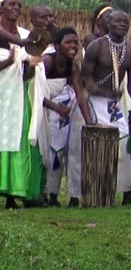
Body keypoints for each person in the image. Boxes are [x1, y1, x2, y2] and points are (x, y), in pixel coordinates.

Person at [69, 9, 131, 205]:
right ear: (108, 23)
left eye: (125, 21)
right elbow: (86, 79)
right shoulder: (96, 47)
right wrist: (106, 94)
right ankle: (76, 196)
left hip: (111, 104)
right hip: (91, 100)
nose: (122, 24)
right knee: (82, 146)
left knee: (125, 141)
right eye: (117, 21)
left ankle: (127, 191)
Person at [0, 0, 49, 208]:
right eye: (12, 4)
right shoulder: (18, 38)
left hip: (17, 98)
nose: (17, 8)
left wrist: (30, 64)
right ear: (1, 8)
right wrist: (9, 61)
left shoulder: (25, 35)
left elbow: (30, 72)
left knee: (16, 141)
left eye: (19, 5)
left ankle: (12, 194)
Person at [42, 27, 94, 206]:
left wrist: (90, 123)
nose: (73, 46)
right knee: (50, 152)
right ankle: (50, 195)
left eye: (75, 42)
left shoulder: (73, 65)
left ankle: (74, 196)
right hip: (46, 111)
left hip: (65, 111)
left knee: (73, 150)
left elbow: (80, 94)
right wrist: (55, 107)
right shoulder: (47, 62)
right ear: (57, 46)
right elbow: (35, 93)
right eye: (68, 42)